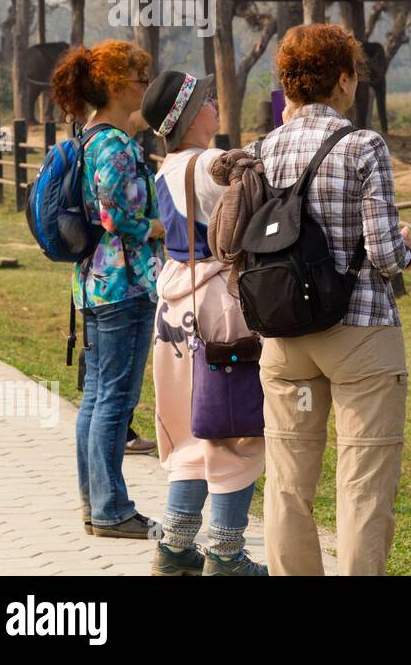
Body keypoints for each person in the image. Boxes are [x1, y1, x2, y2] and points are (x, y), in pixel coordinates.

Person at [251, 23, 411, 576]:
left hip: (283, 335)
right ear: (344, 80)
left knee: (288, 485)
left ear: (288, 84)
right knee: (363, 485)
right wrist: (410, 249)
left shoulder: (264, 149)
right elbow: (385, 254)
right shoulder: (363, 147)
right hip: (360, 334)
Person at [142, 71, 268, 576]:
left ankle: (174, 549)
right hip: (218, 302)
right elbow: (255, 187)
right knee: (235, 427)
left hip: (174, 301)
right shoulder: (209, 166)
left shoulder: (165, 167)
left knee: (192, 427)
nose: (216, 105)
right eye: (207, 99)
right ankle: (225, 554)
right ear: (192, 115)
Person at [50, 40, 164, 538]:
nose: (146, 89)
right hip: (125, 285)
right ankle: (113, 509)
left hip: (93, 284)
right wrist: (159, 228)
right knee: (116, 400)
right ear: (117, 87)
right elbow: (119, 217)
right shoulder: (116, 146)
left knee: (97, 398)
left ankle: (94, 503)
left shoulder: (88, 139)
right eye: (141, 81)